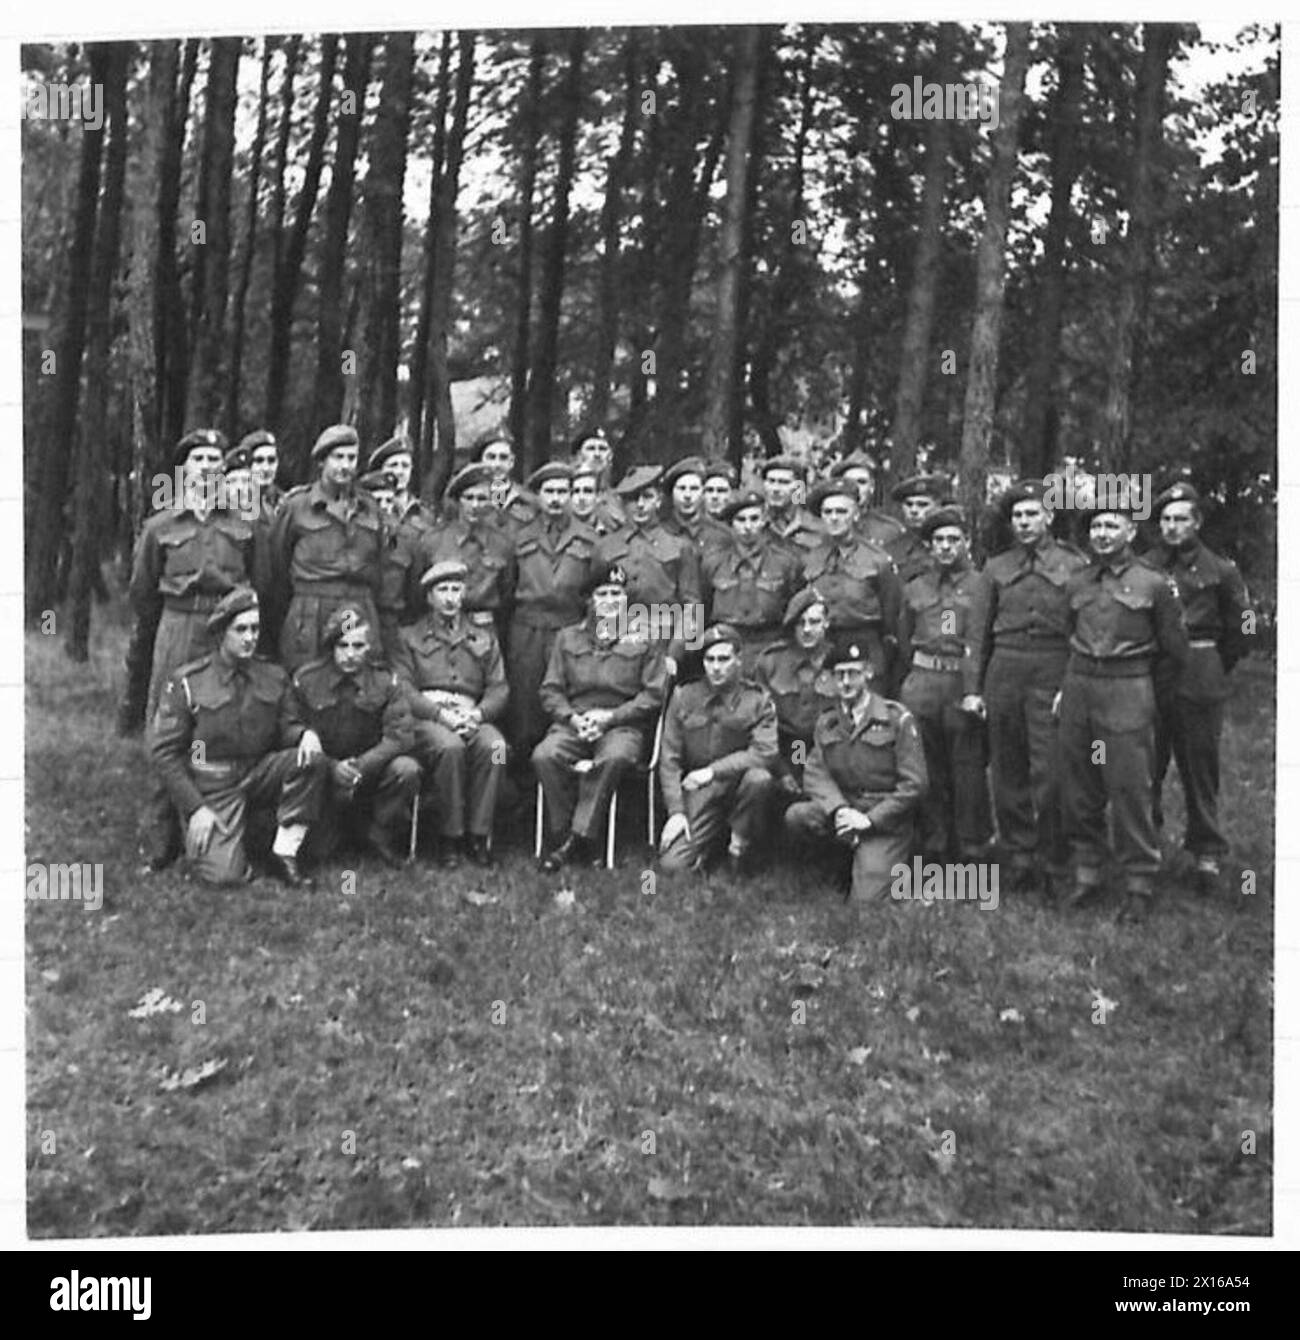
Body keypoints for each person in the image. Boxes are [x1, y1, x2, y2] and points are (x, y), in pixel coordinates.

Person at [128, 427, 261, 868]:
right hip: (179, 626)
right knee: (166, 726)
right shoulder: (161, 525)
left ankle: (222, 833)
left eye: (214, 459)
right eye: (198, 459)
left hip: (226, 627)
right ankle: (159, 841)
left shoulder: (241, 524)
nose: (207, 466)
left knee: (222, 720)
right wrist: (164, 631)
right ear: (182, 470)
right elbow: (143, 591)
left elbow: (259, 581)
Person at [1057, 503, 1189, 922]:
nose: (1102, 533)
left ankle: (1139, 881)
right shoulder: (1078, 581)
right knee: (1082, 781)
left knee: (1129, 785)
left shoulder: (1154, 584)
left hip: (1127, 689)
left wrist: (1147, 693)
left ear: (1130, 532)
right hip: (1082, 688)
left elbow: (1174, 650)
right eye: (1096, 526)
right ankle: (1087, 870)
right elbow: (1068, 635)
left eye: (1112, 525)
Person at [149, 587, 327, 886]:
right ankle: (217, 839)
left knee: (310, 758)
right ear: (221, 633)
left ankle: (283, 852)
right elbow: (165, 754)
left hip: (259, 772)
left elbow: (288, 726)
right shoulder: (189, 682)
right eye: (240, 629)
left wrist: (305, 734)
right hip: (213, 785)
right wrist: (195, 808)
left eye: (255, 629)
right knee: (223, 877)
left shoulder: (272, 676)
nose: (250, 637)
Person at [965, 479, 1089, 895]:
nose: (1023, 522)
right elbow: (977, 634)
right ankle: (1019, 854)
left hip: (1052, 670)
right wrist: (973, 688)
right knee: (1007, 767)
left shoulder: (1074, 565)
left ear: (1049, 516)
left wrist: (1070, 683)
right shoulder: (995, 568)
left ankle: (1056, 858)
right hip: (1005, 670)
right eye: (1017, 515)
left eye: (1032, 513)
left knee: (1051, 773)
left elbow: (1083, 629)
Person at [1142, 480, 1252, 896]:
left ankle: (1206, 852)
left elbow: (1244, 625)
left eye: (1180, 519)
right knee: (1147, 763)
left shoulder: (1220, 569)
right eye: (1166, 519)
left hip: (1200, 669)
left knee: (1199, 765)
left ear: (1197, 521)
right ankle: (1145, 846)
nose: (1171, 527)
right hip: (1152, 671)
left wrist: (1216, 663)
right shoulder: (1147, 565)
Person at [533, 566, 667, 870]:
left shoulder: (645, 639)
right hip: (575, 722)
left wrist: (610, 718)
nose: (610, 601)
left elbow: (653, 695)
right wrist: (573, 719)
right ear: (589, 602)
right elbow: (550, 690)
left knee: (614, 758)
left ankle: (576, 840)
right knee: (545, 755)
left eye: (616, 595)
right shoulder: (567, 638)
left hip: (621, 725)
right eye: (602, 594)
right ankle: (572, 833)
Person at [784, 636, 928, 903]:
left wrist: (870, 820)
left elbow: (915, 785)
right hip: (846, 809)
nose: (846, 683)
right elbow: (814, 772)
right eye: (839, 675)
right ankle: (838, 865)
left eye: (853, 673)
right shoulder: (827, 722)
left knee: (866, 904)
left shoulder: (897, 719)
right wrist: (840, 810)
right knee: (798, 816)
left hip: (883, 818)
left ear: (869, 673)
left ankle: (895, 862)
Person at [394, 560, 508, 868]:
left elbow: (499, 688)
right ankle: (450, 837)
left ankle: (479, 834)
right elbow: (403, 688)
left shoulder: (483, 636)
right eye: (442, 590)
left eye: (456, 589)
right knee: (450, 748)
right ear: (429, 597)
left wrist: (479, 715)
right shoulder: (408, 636)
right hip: (428, 719)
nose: (449, 597)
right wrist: (441, 716)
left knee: (496, 749)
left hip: (471, 716)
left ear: (465, 593)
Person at [290, 605, 420, 868]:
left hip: (370, 776)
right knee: (319, 854)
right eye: (343, 646)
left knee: (407, 769)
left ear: (369, 647)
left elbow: (400, 736)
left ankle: (379, 834)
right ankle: (328, 830)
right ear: (331, 646)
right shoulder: (307, 680)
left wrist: (360, 767)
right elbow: (287, 725)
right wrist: (331, 766)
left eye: (358, 646)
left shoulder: (386, 682)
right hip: (324, 778)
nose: (350, 654)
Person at [897, 506, 992, 860]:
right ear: (929, 545)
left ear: (966, 542)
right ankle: (934, 844)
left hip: (960, 683)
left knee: (967, 769)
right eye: (938, 540)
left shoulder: (981, 584)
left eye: (954, 539)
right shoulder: (916, 587)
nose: (946, 547)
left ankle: (972, 847)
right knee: (927, 767)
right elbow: (903, 637)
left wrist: (974, 691)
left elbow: (981, 640)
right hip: (923, 683)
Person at [658, 624, 778, 876]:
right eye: (709, 659)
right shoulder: (684, 696)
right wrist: (676, 812)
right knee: (672, 866)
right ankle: (706, 845)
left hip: (739, 786)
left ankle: (739, 848)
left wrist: (712, 771)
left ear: (738, 660)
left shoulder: (757, 700)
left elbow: (765, 753)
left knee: (760, 779)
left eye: (723, 659)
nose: (716, 667)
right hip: (701, 791)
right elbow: (669, 759)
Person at [268, 423, 385, 671]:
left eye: (351, 458)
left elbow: (379, 563)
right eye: (338, 457)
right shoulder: (298, 506)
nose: (345, 465)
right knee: (307, 680)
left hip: (358, 607)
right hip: (310, 612)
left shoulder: (369, 507)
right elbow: (277, 566)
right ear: (322, 461)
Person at [507, 462, 600, 754]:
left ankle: (559, 774)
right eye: (549, 491)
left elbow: (595, 591)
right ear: (537, 496)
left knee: (566, 701)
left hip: (570, 629)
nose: (557, 498)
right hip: (527, 631)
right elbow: (506, 589)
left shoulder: (590, 538)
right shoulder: (519, 536)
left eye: (563, 491)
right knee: (524, 706)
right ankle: (521, 784)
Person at [594, 464, 702, 664]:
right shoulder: (605, 547)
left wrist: (675, 654)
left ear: (659, 500)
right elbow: (591, 600)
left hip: (663, 643)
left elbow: (693, 607)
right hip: (618, 643)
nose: (641, 505)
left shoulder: (680, 546)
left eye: (647, 497)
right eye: (633, 499)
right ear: (622, 503)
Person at [801, 477, 902, 687]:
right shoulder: (810, 558)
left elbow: (892, 618)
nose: (834, 518)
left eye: (841, 512)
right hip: (822, 648)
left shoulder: (878, 560)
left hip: (865, 646)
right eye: (828, 513)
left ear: (855, 515)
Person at [700, 490, 806, 672]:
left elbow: (796, 610)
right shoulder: (713, 563)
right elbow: (701, 607)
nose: (748, 526)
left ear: (764, 521)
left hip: (772, 647)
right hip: (726, 649)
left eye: (754, 519)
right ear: (731, 524)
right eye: (741, 520)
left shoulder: (785, 562)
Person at [753, 588, 838, 799]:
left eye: (814, 622)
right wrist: (782, 771)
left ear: (827, 623)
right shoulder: (772, 662)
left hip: (831, 752)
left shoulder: (840, 661)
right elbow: (763, 724)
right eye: (800, 623)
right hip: (789, 749)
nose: (807, 630)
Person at [419, 462, 516, 642]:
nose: (475, 505)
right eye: (468, 498)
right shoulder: (433, 540)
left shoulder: (502, 544)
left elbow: (507, 594)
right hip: (440, 630)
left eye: (481, 498)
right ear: (457, 500)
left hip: (486, 629)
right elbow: (419, 592)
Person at [357, 468, 424, 662]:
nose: (384, 508)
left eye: (389, 501)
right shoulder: (350, 538)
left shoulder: (408, 540)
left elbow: (415, 595)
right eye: (377, 502)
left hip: (393, 626)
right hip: (358, 620)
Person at [829, 450, 907, 549]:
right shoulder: (824, 526)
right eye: (849, 482)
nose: (856, 488)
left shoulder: (890, 530)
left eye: (862, 482)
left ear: (872, 487)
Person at [474, 429, 539, 536]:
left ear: (511, 462)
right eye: (491, 457)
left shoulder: (528, 500)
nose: (497, 464)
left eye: (503, 458)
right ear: (481, 461)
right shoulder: (469, 499)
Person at [660, 456, 730, 553]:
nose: (688, 495)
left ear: (703, 492)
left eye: (694, 489)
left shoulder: (721, 535)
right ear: (672, 493)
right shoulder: (661, 532)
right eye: (682, 488)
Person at [886, 473, 948, 582]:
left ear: (938, 506)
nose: (914, 510)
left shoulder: (951, 545)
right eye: (909, 504)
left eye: (922, 505)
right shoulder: (891, 550)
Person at [759, 454, 822, 558]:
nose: (775, 489)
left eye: (784, 482)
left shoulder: (818, 529)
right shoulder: (752, 523)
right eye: (771, 481)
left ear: (799, 488)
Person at [368, 433, 428, 533]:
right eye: (393, 465)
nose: (400, 472)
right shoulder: (369, 509)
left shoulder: (424, 514)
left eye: (405, 466)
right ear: (380, 471)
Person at [245, 429, 284, 516]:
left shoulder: (285, 503)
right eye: (259, 461)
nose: (266, 468)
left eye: (271, 460)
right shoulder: (235, 501)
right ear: (247, 465)